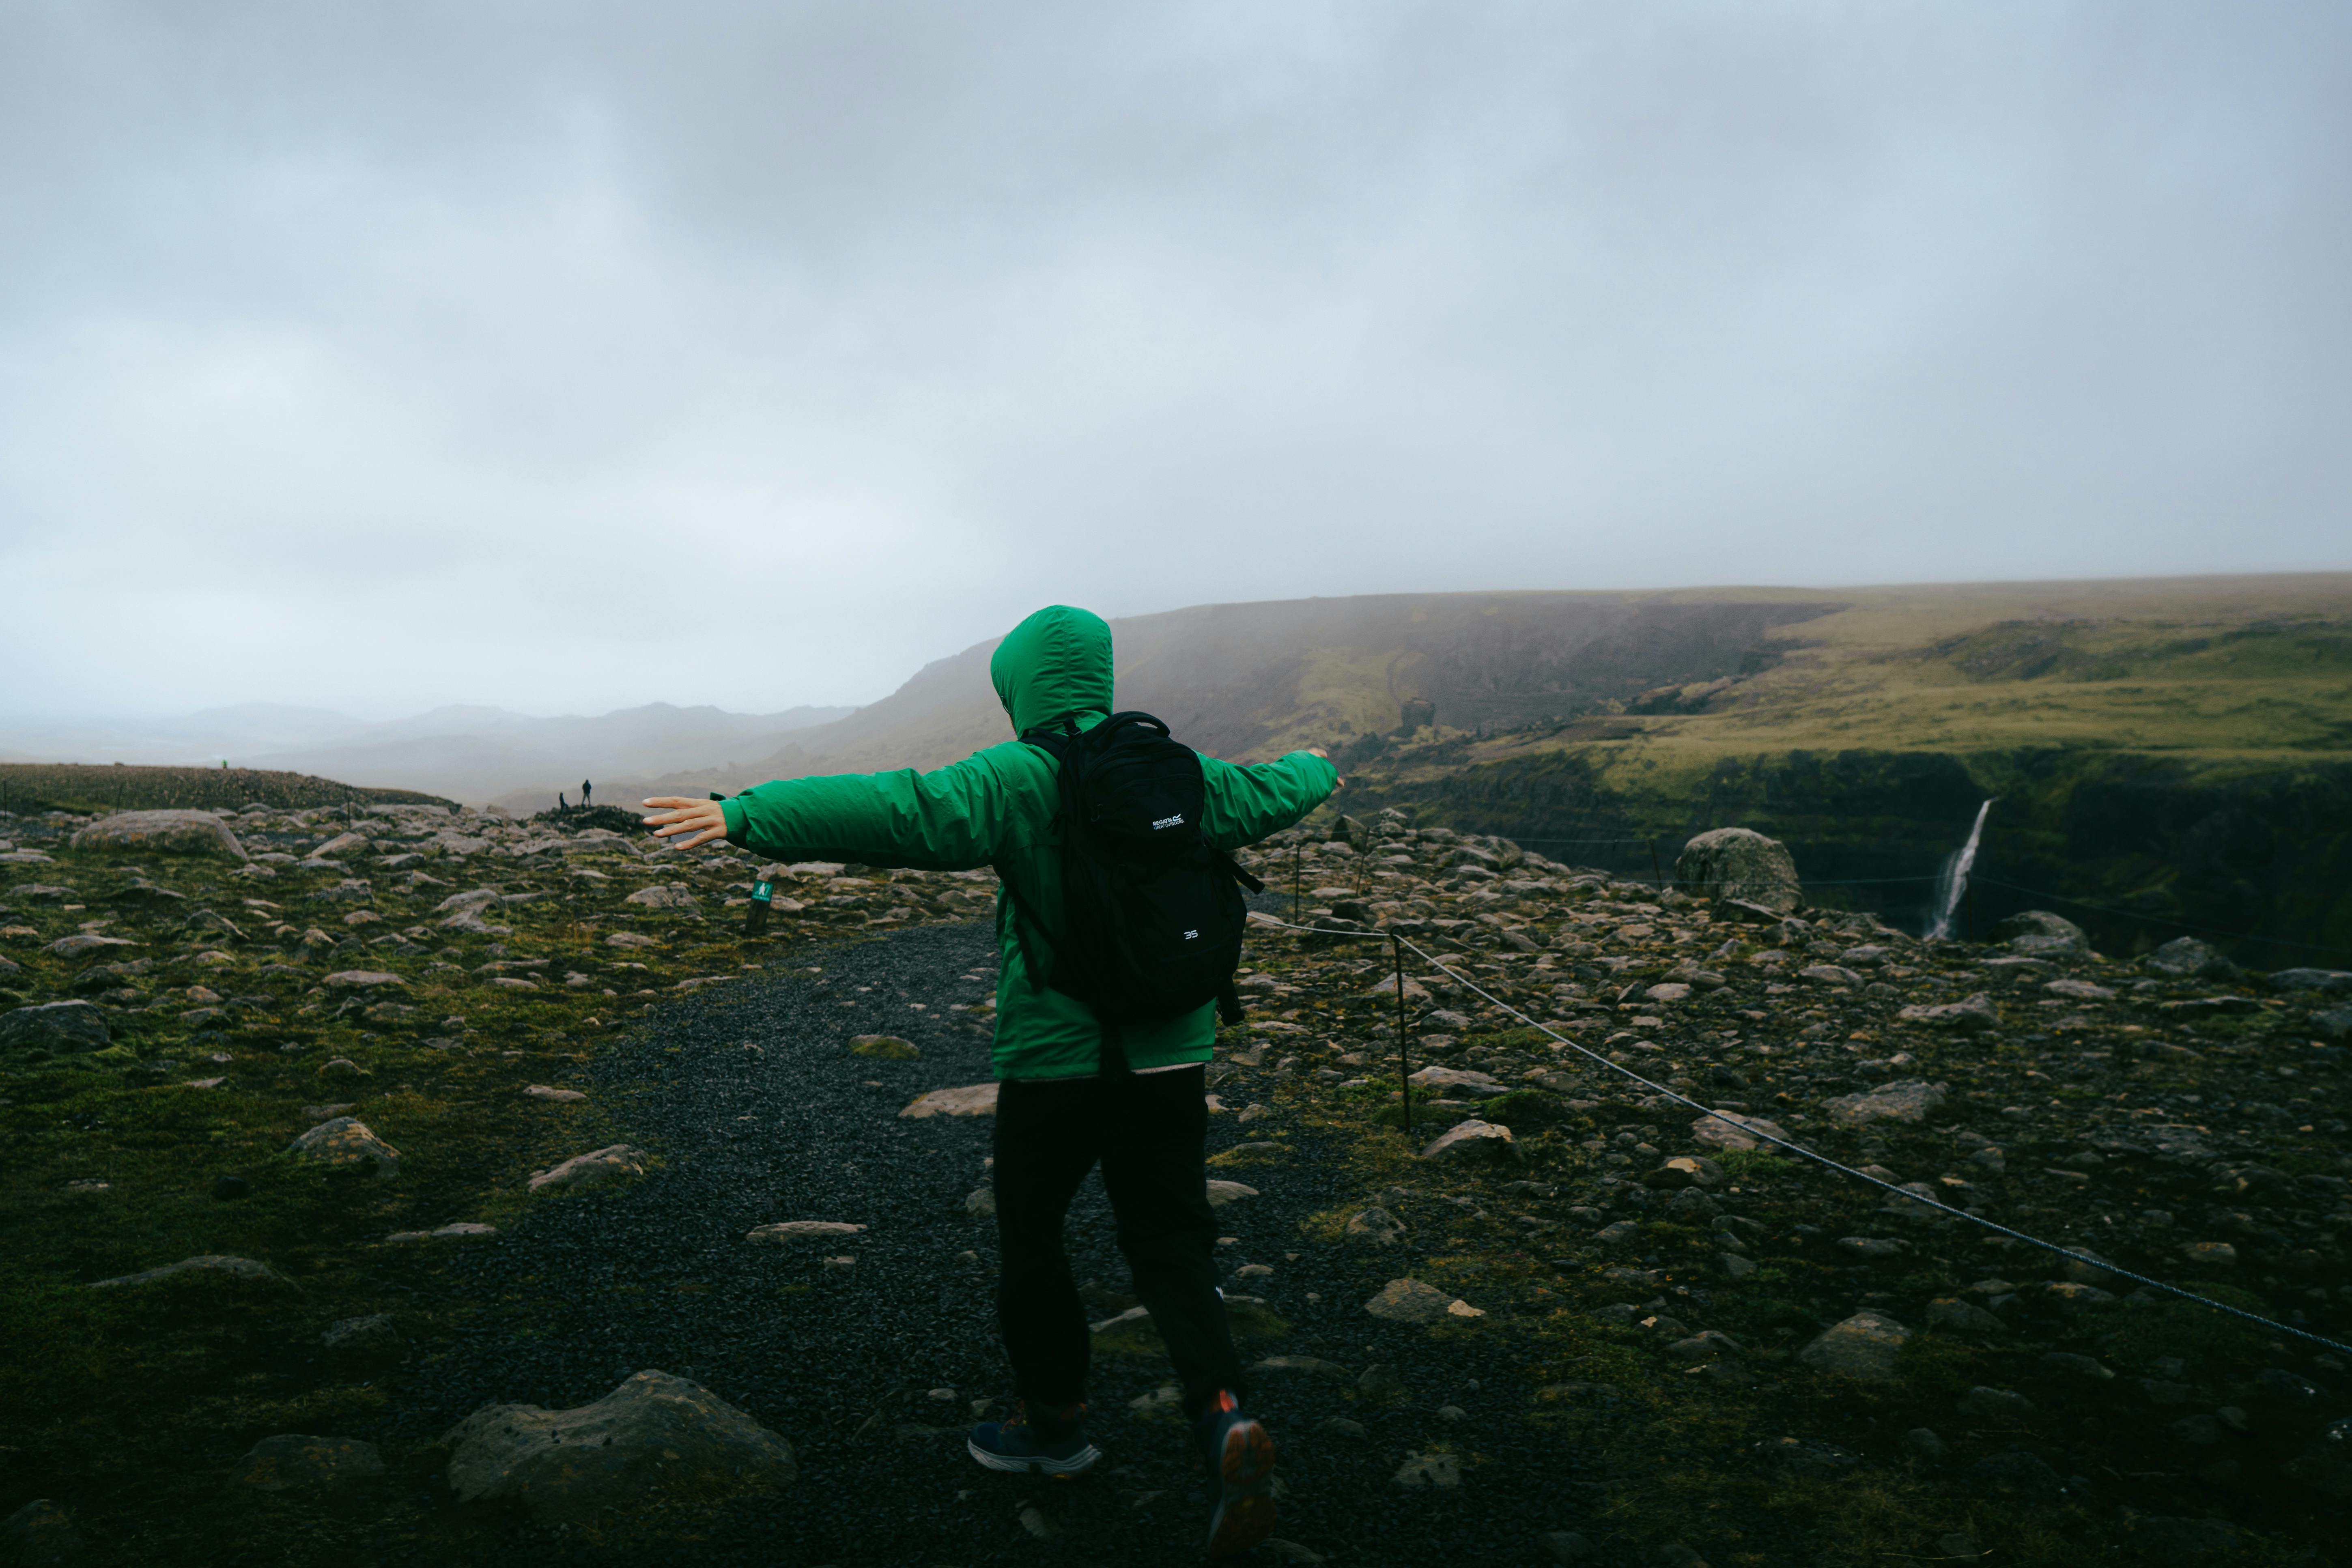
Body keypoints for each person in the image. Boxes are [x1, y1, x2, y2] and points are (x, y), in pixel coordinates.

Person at [643, 604, 1336, 1559]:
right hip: (1171, 1055)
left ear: (1019, 683)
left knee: (1036, 1239)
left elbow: (903, 809)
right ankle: (1222, 1415)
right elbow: (1275, 789)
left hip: (1056, 1063)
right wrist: (1320, 762)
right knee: (1172, 1241)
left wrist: (746, 816)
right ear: (1096, 676)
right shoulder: (1184, 773)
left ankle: (1053, 1431)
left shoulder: (1018, 776)